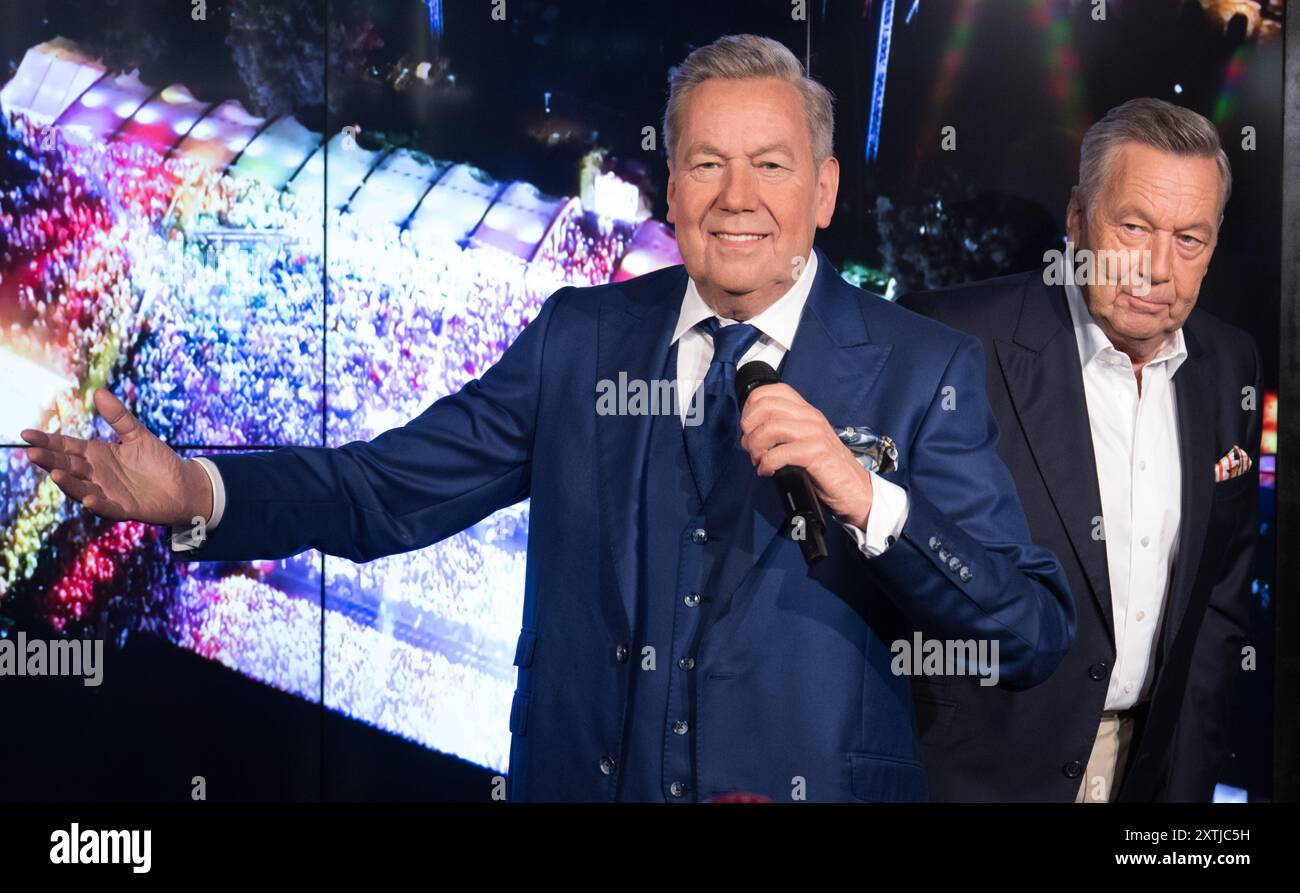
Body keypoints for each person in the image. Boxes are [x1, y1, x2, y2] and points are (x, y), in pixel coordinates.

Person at [22, 34, 1073, 802]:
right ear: (669, 188)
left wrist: (869, 500)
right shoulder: (581, 338)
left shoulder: (925, 366)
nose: (736, 195)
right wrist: (198, 490)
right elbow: (383, 489)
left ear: (826, 189)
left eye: (771, 164)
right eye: (706, 162)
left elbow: (1028, 630)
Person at [900, 98, 1262, 802]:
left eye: (1190, 239)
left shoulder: (1230, 364)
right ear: (1075, 220)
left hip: (1147, 775)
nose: (1157, 268)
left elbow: (1217, 606)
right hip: (970, 775)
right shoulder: (950, 341)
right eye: (1133, 227)